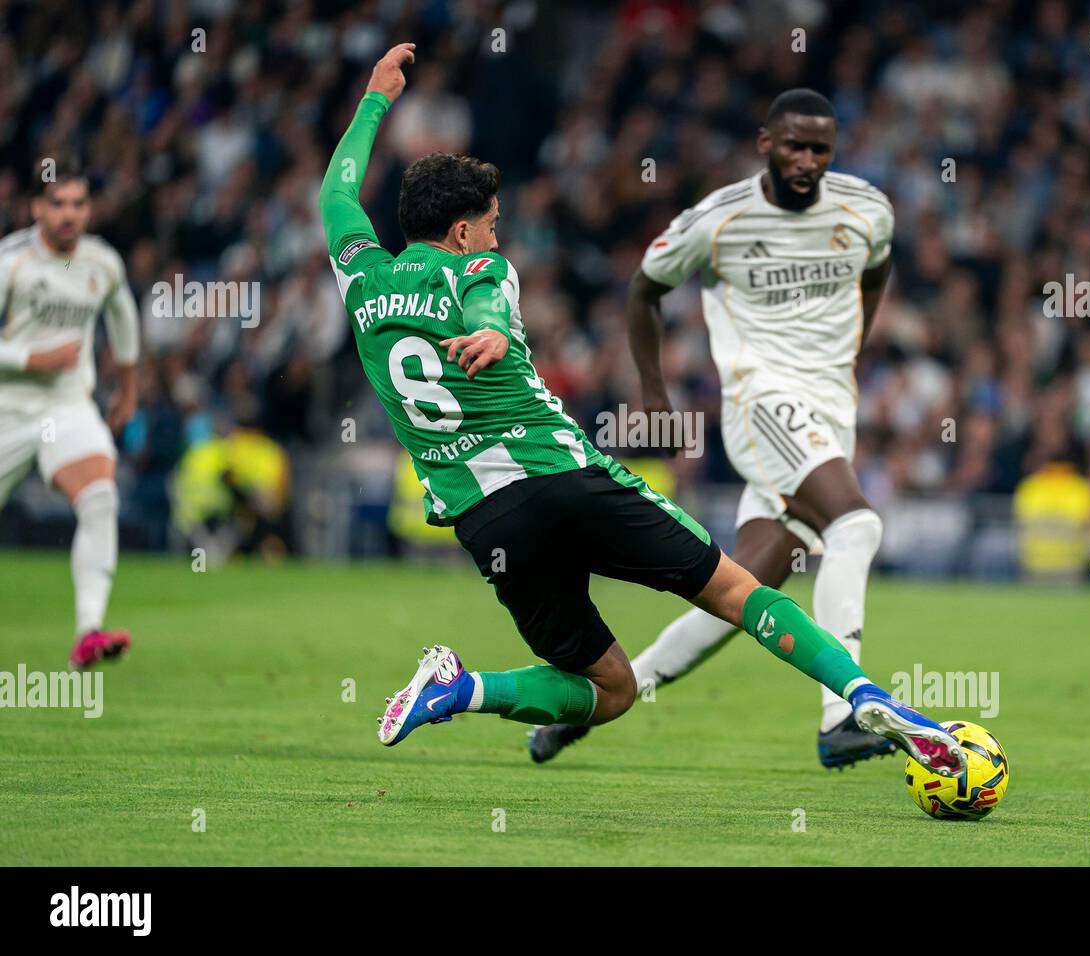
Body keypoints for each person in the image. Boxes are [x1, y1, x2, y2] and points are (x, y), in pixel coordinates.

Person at [319, 44, 965, 780]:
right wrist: (494, 327)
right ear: (465, 230)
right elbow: (486, 294)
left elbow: (335, 198)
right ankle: (859, 695)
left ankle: (460, 690)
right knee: (735, 590)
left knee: (612, 689)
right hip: (560, 477)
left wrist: (374, 98)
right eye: (491, 223)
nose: (496, 235)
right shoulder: (480, 267)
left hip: (485, 521)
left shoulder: (362, 279)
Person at [532, 89, 896, 769]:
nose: (807, 160)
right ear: (766, 142)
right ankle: (843, 713)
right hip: (763, 400)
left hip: (830, 408)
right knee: (857, 524)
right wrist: (653, 394)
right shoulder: (720, 218)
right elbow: (645, 288)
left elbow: (877, 269)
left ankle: (590, 704)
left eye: (820, 148)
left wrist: (853, 345)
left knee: (742, 594)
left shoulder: (867, 208)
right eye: (794, 144)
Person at [0, 159, 139, 668]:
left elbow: (123, 316)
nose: (68, 215)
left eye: (79, 204)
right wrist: (29, 359)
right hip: (6, 408)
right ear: (36, 207)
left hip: (66, 405)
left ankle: (89, 631)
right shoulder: (10, 262)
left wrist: (128, 386)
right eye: (57, 204)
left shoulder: (101, 263)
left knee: (100, 498)